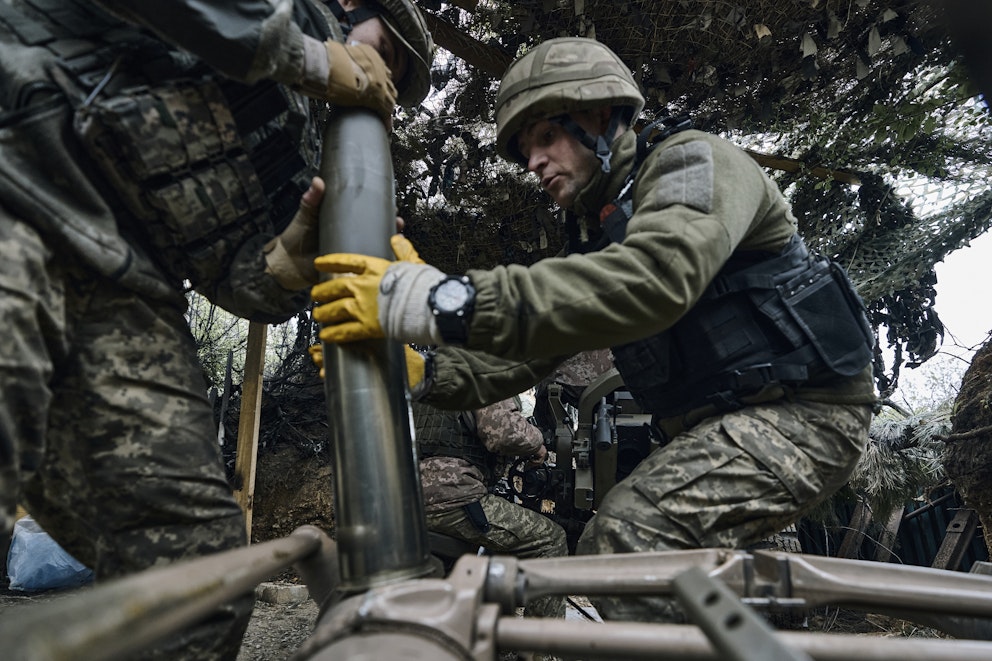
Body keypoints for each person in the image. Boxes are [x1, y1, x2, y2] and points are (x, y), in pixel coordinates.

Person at [310, 37, 878, 622]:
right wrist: (425, 372)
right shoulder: (596, 239)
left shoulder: (692, 163)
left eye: (545, 136)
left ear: (602, 115)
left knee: (627, 541)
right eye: (524, 149)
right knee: (719, 592)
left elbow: (658, 275)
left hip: (806, 414)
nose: (533, 161)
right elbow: (530, 353)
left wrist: (440, 299)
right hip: (724, 427)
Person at [0, 1, 432, 658]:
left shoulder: (293, 129)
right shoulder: (288, 31)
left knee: (198, 573)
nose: (382, 77)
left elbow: (233, 276)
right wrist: (314, 56)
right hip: (16, 180)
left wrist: (286, 262)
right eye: (389, 55)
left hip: (124, 284)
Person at [413, 394, 567, 621]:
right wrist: (538, 443)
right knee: (550, 539)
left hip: (411, 499)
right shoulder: (482, 381)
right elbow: (505, 433)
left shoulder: (426, 384)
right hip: (455, 496)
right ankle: (542, 641)